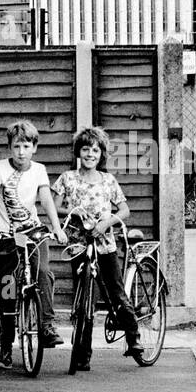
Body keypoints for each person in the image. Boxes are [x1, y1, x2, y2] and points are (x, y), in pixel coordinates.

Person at [52, 126, 146, 369]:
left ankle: (133, 337)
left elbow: (124, 209)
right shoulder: (67, 178)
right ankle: (82, 354)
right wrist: (74, 212)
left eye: (95, 150)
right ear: (78, 152)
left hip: (104, 243)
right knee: (85, 296)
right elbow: (54, 207)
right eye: (85, 149)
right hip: (79, 244)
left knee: (114, 290)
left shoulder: (108, 180)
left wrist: (107, 222)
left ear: (101, 154)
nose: (90, 154)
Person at [0, 120, 67, 369]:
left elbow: (46, 200)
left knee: (42, 273)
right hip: (5, 236)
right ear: (10, 147)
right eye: (16, 146)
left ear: (34, 147)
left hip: (31, 232)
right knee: (8, 289)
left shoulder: (39, 170)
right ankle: (6, 348)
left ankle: (47, 326)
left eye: (26, 146)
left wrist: (56, 227)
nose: (21, 151)